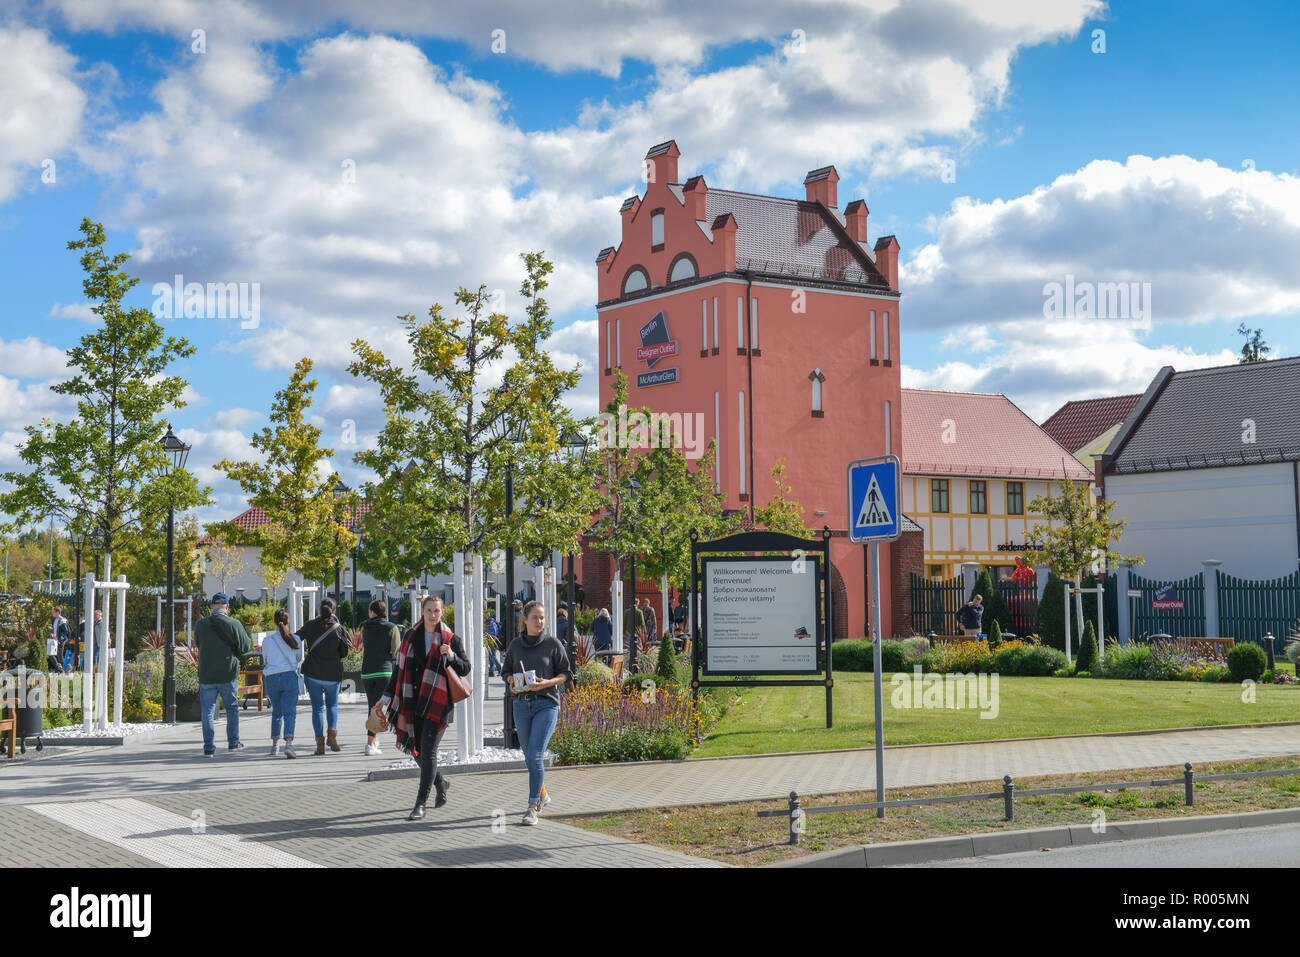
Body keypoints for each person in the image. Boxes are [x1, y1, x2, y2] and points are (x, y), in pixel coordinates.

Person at [375, 595, 470, 820]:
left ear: (442, 612)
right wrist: (386, 697)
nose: (433, 615)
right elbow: (399, 670)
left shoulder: (450, 639)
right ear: (423, 611)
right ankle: (440, 781)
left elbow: (466, 668)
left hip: (438, 705)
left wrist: (452, 656)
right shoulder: (410, 636)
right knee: (416, 751)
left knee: (428, 752)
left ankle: (420, 803)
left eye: (437, 611)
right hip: (412, 703)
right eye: (429, 611)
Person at [502, 599, 571, 826]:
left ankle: (532, 807)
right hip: (521, 705)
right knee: (528, 756)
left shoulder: (552, 644)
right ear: (525, 620)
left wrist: (547, 682)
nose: (539, 621)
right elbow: (506, 672)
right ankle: (542, 794)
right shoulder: (515, 645)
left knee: (535, 755)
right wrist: (511, 679)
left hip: (546, 704)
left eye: (542, 618)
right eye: (535, 617)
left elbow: (565, 674)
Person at [193, 592, 252, 757]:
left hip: (207, 674)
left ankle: (209, 748)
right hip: (228, 673)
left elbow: (198, 643)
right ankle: (233, 743)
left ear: (212, 606)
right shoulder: (234, 624)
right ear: (227, 607)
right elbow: (246, 647)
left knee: (208, 711)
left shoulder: (201, 625)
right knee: (232, 708)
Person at [298, 597, 351, 755]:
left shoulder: (310, 625)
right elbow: (345, 652)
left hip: (313, 673)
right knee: (332, 706)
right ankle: (333, 736)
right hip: (333, 674)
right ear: (334, 611)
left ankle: (320, 743)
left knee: (317, 708)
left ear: (319, 610)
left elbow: (295, 638)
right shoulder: (339, 628)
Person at [360, 599, 401, 756]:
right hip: (384, 672)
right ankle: (370, 744)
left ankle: (373, 740)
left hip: (367, 672)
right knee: (380, 708)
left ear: (372, 612)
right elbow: (396, 652)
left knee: (372, 706)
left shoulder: (365, 627)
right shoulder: (392, 628)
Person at [261, 609, 301, 758]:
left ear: (274, 622)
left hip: (272, 678)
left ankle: (275, 745)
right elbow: (298, 659)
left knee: (277, 712)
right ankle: (289, 744)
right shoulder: (295, 639)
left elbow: (265, 660)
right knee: (290, 712)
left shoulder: (266, 640)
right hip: (289, 676)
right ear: (288, 621)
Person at [47, 607, 69, 673]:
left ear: (58, 612)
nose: (52, 613)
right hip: (54, 640)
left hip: (60, 641)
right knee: (50, 654)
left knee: (60, 656)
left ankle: (65, 670)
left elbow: (65, 631)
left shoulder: (62, 620)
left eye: (53, 612)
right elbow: (55, 630)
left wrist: (59, 637)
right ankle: (58, 668)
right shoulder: (55, 620)